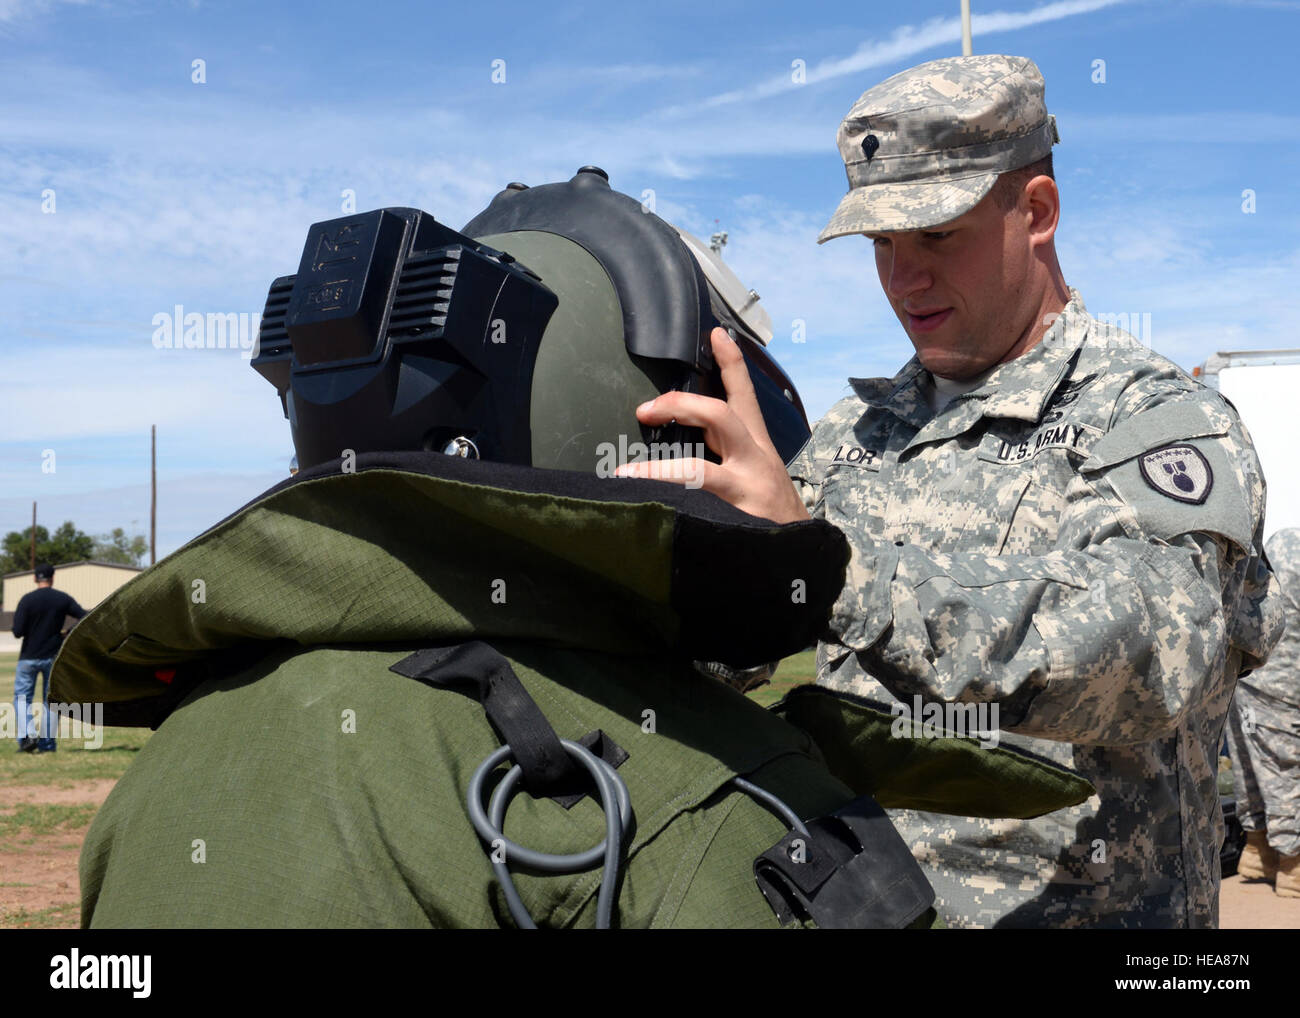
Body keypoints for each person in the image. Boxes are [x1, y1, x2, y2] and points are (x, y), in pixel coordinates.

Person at [617, 54, 1284, 928]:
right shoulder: (848, 437)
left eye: (936, 235)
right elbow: (737, 657)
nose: (904, 279)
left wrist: (833, 573)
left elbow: (1162, 656)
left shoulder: (1154, 417)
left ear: (1036, 212)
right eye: (882, 244)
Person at [1227, 527, 1300, 897]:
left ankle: (1257, 851)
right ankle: (1293, 865)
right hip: (1283, 681)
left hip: (1250, 669)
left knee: (1252, 764)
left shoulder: (1282, 539)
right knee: (1284, 769)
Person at [11, 562, 86, 753]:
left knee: (21, 699)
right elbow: (85, 616)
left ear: (35, 578)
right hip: (54, 656)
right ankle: (47, 744)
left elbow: (17, 632)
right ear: (52, 578)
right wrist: (67, 632)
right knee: (51, 702)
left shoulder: (27, 600)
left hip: (28, 656)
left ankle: (28, 737)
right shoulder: (62, 599)